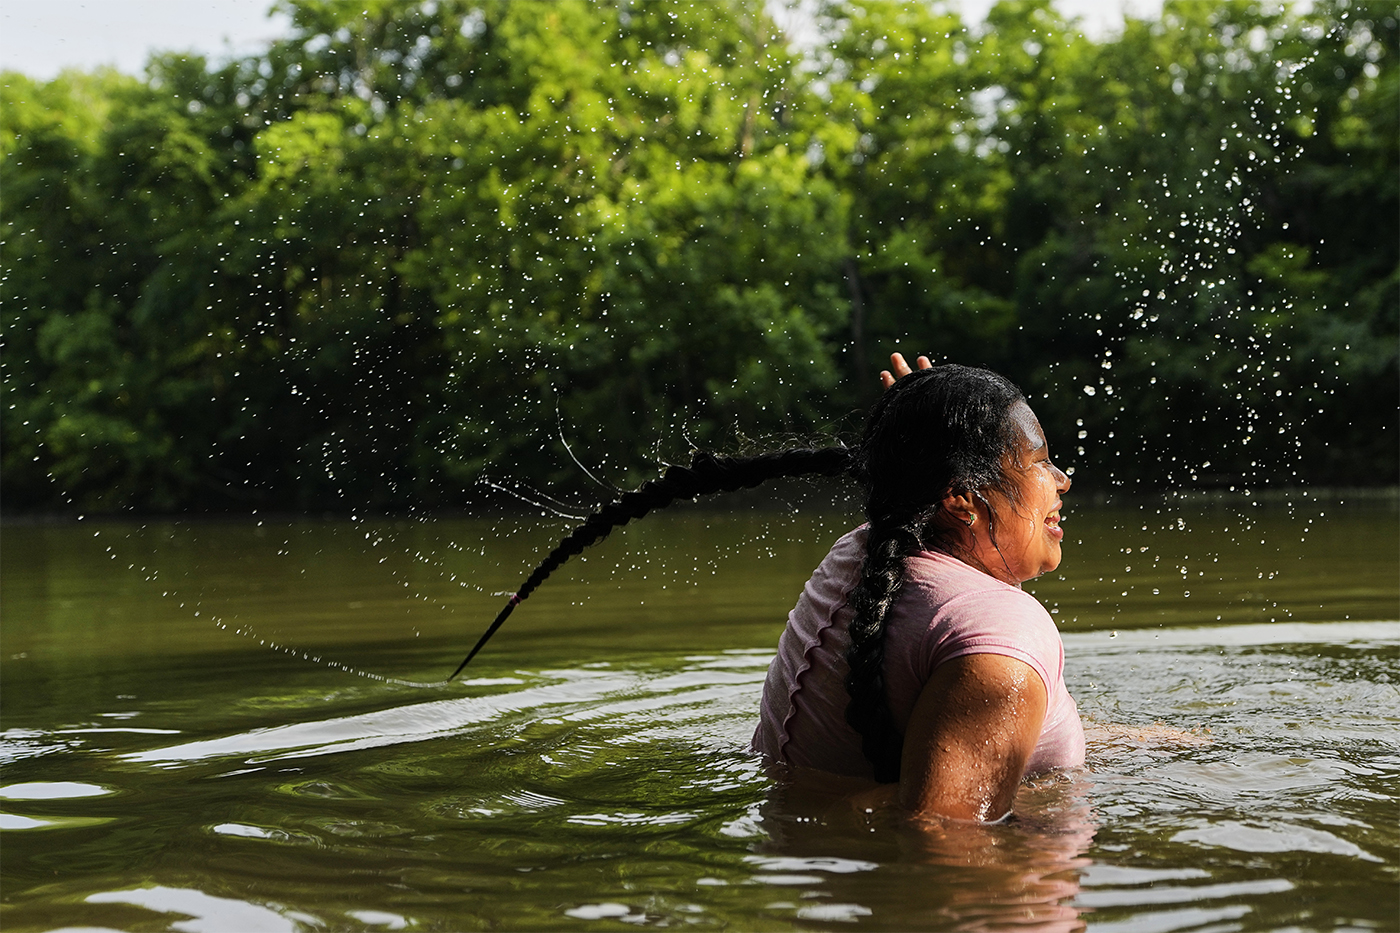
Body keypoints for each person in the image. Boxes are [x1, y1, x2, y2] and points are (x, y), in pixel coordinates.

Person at [449, 354, 1082, 822]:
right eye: (1041, 461)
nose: (1062, 480)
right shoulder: (1001, 642)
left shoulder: (866, 555)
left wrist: (921, 426)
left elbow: (954, 738)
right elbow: (944, 840)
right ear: (962, 501)